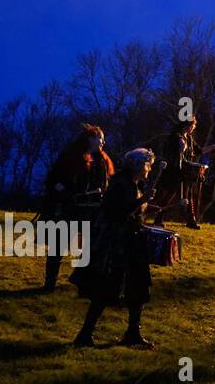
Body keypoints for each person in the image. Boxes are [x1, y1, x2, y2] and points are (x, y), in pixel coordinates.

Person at [71, 148, 160, 348]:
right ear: (138, 165)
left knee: (138, 287)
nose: (149, 169)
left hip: (131, 243)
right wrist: (142, 200)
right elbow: (117, 212)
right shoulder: (121, 184)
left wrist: (146, 205)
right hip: (115, 246)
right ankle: (85, 335)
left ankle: (133, 333)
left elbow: (133, 210)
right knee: (104, 290)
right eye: (148, 165)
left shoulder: (135, 183)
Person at [40, 125, 113, 291]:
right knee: (58, 246)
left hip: (92, 211)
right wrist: (65, 193)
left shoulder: (101, 160)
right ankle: (49, 283)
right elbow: (53, 180)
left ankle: (83, 282)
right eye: (100, 138)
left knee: (90, 247)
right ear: (90, 138)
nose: (103, 142)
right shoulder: (70, 157)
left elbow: (104, 184)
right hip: (68, 209)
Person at [153, 117, 202, 228]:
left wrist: (212, 148)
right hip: (174, 170)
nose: (193, 129)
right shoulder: (175, 136)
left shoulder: (189, 138)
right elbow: (172, 146)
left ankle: (191, 221)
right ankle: (158, 218)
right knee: (169, 194)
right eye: (192, 127)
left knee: (188, 195)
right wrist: (180, 144)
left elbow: (199, 150)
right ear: (187, 125)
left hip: (185, 170)